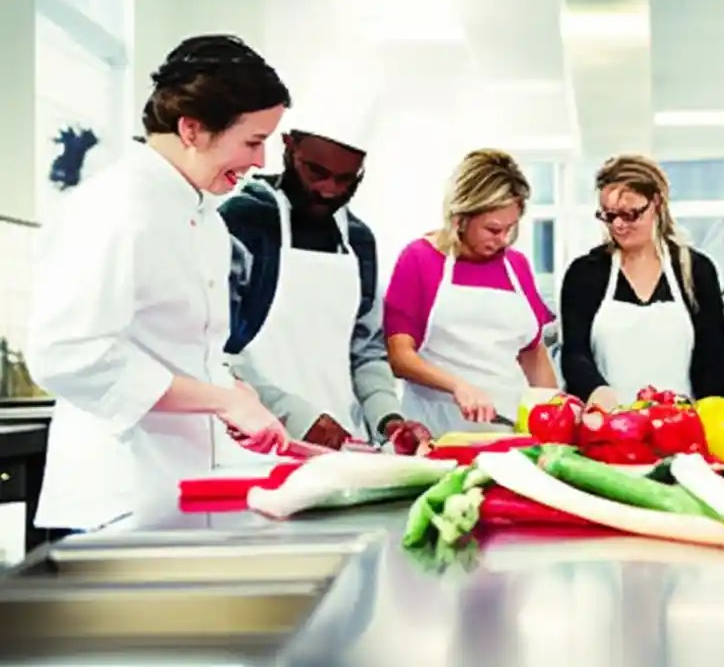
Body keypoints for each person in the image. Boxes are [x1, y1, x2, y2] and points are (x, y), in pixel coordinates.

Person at [27, 35, 292, 531]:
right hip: (117, 496)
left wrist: (237, 397)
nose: (261, 162)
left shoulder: (206, 218)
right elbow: (67, 353)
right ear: (192, 129)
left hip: (185, 487)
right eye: (253, 141)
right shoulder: (114, 207)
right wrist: (224, 400)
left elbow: (186, 350)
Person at [218, 103, 432, 460]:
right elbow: (217, 353)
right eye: (316, 171)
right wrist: (295, 415)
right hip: (256, 446)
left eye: (347, 179)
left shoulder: (359, 240)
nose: (329, 190)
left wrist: (387, 418)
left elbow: (366, 353)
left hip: (345, 447)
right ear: (289, 147)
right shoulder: (243, 222)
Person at [384, 149, 558, 434]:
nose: (503, 240)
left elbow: (533, 354)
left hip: (511, 432)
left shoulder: (517, 266)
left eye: (510, 229)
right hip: (440, 432)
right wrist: (458, 386)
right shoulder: (419, 259)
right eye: (493, 229)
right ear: (461, 216)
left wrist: (557, 412)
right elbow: (400, 357)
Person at [559, 155, 724, 408]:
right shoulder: (585, 273)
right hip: (609, 425)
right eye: (609, 215)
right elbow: (575, 354)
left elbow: (713, 362)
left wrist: (711, 418)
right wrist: (595, 389)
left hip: (680, 426)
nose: (618, 225)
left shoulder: (696, 271)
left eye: (630, 214)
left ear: (656, 203)